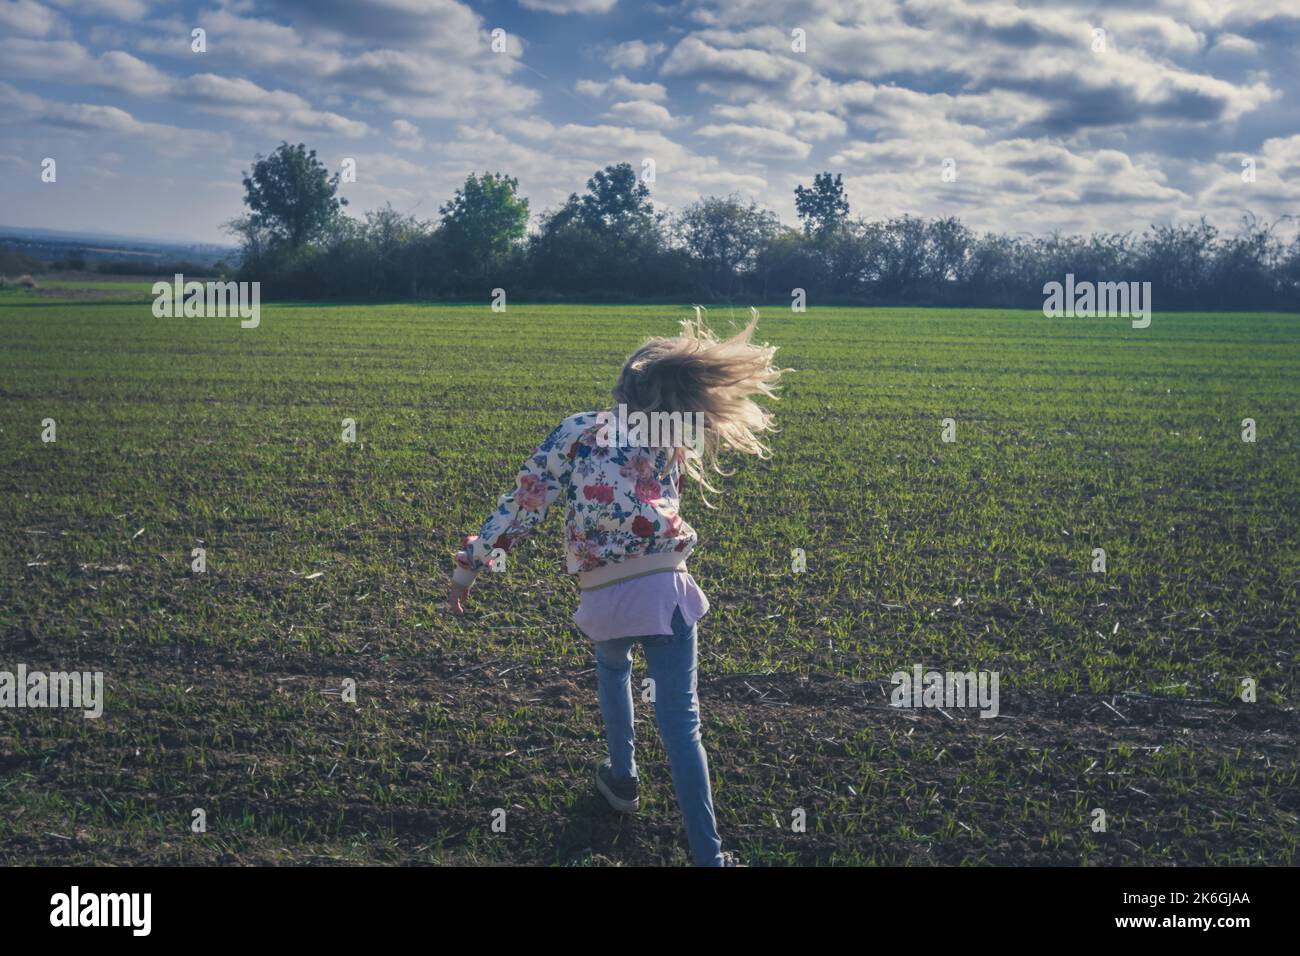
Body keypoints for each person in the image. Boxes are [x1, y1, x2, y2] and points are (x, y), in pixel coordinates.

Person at [449, 311, 788, 866]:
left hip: (603, 597)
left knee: (613, 669)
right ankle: (711, 858)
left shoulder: (579, 430)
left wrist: (469, 569)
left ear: (620, 386)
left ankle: (623, 779)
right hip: (667, 591)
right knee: (682, 722)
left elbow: (525, 504)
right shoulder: (671, 438)